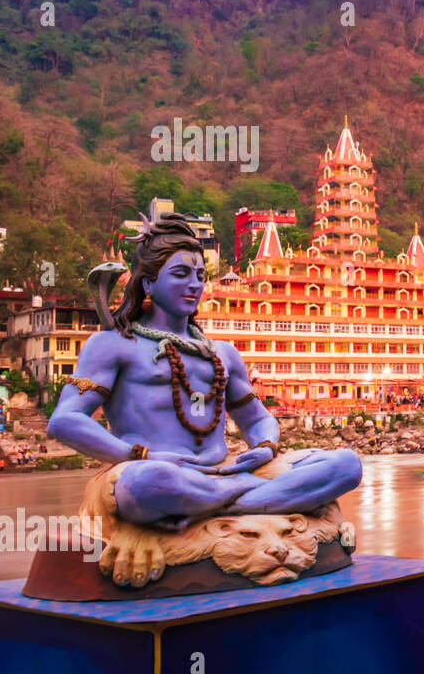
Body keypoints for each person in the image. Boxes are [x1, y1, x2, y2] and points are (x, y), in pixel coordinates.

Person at [47, 213, 362, 585]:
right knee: (147, 486)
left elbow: (257, 418)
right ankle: (265, 498)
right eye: (180, 274)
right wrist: (139, 454)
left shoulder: (222, 353)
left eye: (199, 275)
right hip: (154, 468)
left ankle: (220, 502)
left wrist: (263, 446)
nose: (194, 284)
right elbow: (65, 421)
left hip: (225, 469)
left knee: (346, 465)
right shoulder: (115, 344)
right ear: (148, 281)